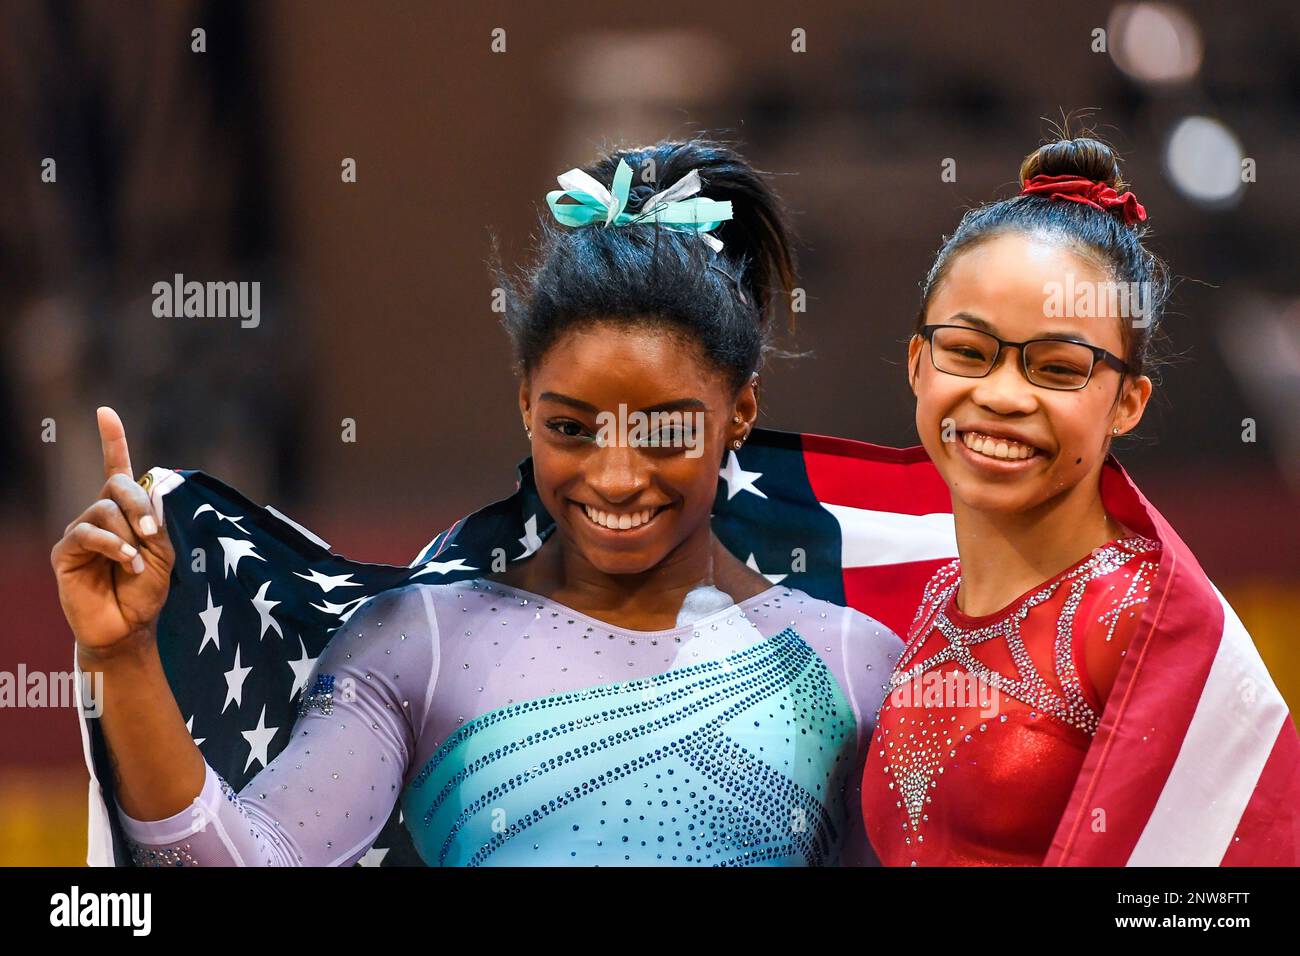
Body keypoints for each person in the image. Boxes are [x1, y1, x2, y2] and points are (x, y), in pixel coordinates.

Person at [53, 138, 905, 866]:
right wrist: (126, 655)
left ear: (741, 413)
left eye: (663, 432)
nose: (613, 477)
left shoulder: (853, 665)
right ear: (524, 404)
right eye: (571, 429)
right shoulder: (419, 643)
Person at [861, 133, 1300, 866]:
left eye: (1058, 368)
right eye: (967, 352)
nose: (1001, 395)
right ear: (917, 362)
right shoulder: (929, 599)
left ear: (1127, 402)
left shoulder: (1138, 623)